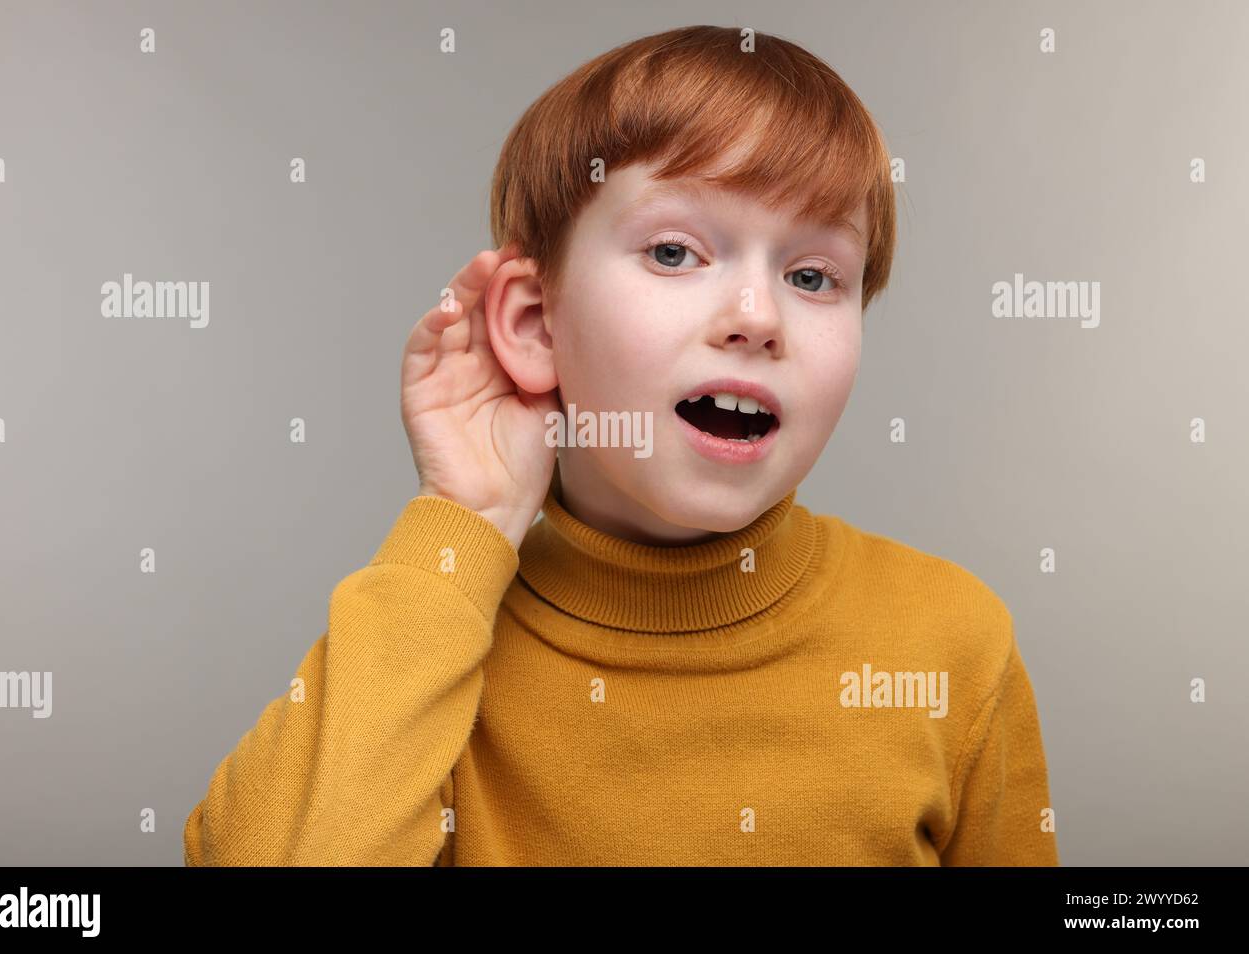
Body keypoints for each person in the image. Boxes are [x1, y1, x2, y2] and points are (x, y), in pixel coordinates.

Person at [183, 24, 1058, 866]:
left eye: (810, 276)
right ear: (533, 323)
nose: (757, 317)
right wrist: (465, 518)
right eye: (676, 252)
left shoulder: (951, 638)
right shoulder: (434, 646)